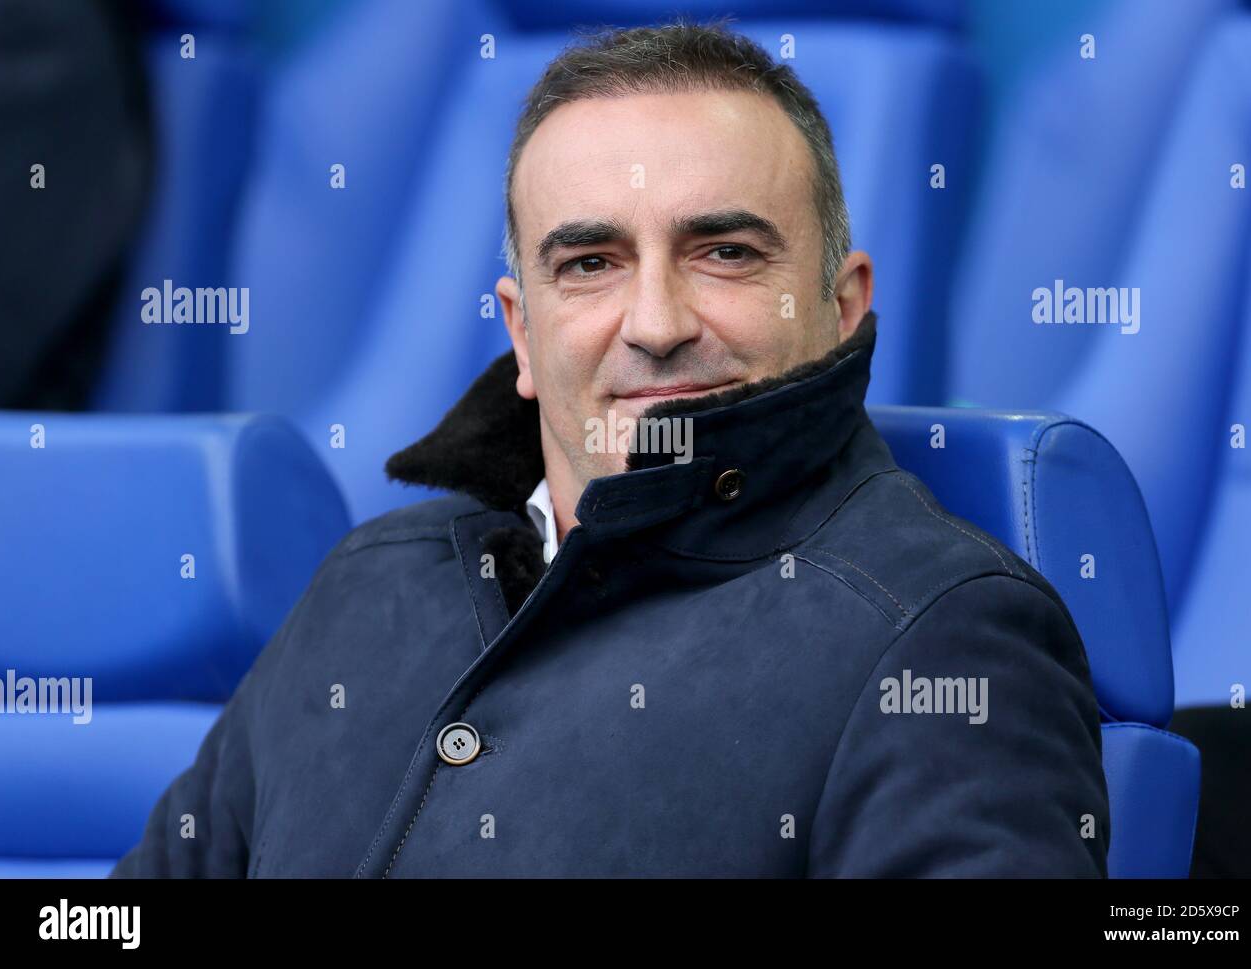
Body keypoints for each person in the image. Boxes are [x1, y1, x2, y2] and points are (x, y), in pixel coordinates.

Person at [111, 19, 1109, 878]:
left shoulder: (940, 633)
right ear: (522, 335)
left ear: (842, 308)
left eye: (724, 251)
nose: (655, 321)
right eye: (591, 263)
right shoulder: (369, 584)